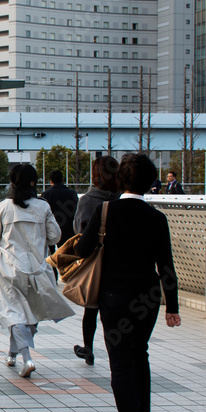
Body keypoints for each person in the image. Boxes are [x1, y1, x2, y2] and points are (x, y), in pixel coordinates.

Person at [75, 153, 181, 412]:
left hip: (114, 296)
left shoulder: (106, 211)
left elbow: (83, 250)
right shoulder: (157, 218)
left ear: (121, 179)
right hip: (148, 295)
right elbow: (167, 266)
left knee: (119, 360)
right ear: (150, 183)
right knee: (140, 354)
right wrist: (172, 307)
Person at [0, 164, 74, 378]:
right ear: (33, 182)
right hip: (37, 269)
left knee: (13, 313)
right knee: (32, 313)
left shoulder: (3, 206)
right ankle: (13, 354)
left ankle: (24, 357)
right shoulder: (42, 207)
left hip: (9, 268)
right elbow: (55, 236)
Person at [71, 155, 121, 366]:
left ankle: (88, 348)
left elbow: (79, 230)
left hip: (95, 262)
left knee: (91, 308)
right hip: (119, 265)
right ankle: (115, 352)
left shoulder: (88, 200)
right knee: (114, 314)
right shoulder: (120, 200)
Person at [41, 170, 78, 248]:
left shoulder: (46, 194)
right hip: (69, 230)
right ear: (62, 180)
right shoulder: (72, 193)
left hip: (51, 230)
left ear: (51, 181)